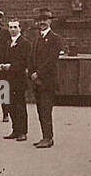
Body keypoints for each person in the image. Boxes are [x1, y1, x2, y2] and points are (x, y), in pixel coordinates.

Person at [27, 8, 65, 147]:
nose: (43, 22)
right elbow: (31, 58)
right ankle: (45, 136)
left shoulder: (55, 39)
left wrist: (39, 73)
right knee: (40, 110)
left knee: (46, 109)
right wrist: (31, 73)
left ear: (50, 21)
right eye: (41, 20)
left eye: (46, 19)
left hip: (47, 81)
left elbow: (51, 60)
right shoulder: (36, 39)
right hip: (36, 80)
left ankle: (48, 138)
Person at [0, 18, 30, 141]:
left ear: (20, 28)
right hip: (6, 78)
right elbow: (3, 57)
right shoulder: (7, 43)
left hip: (18, 79)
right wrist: (1, 64)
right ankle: (15, 129)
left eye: (15, 27)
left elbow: (25, 62)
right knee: (9, 104)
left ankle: (23, 131)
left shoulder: (25, 43)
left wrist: (11, 66)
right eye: (10, 27)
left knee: (19, 105)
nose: (12, 30)